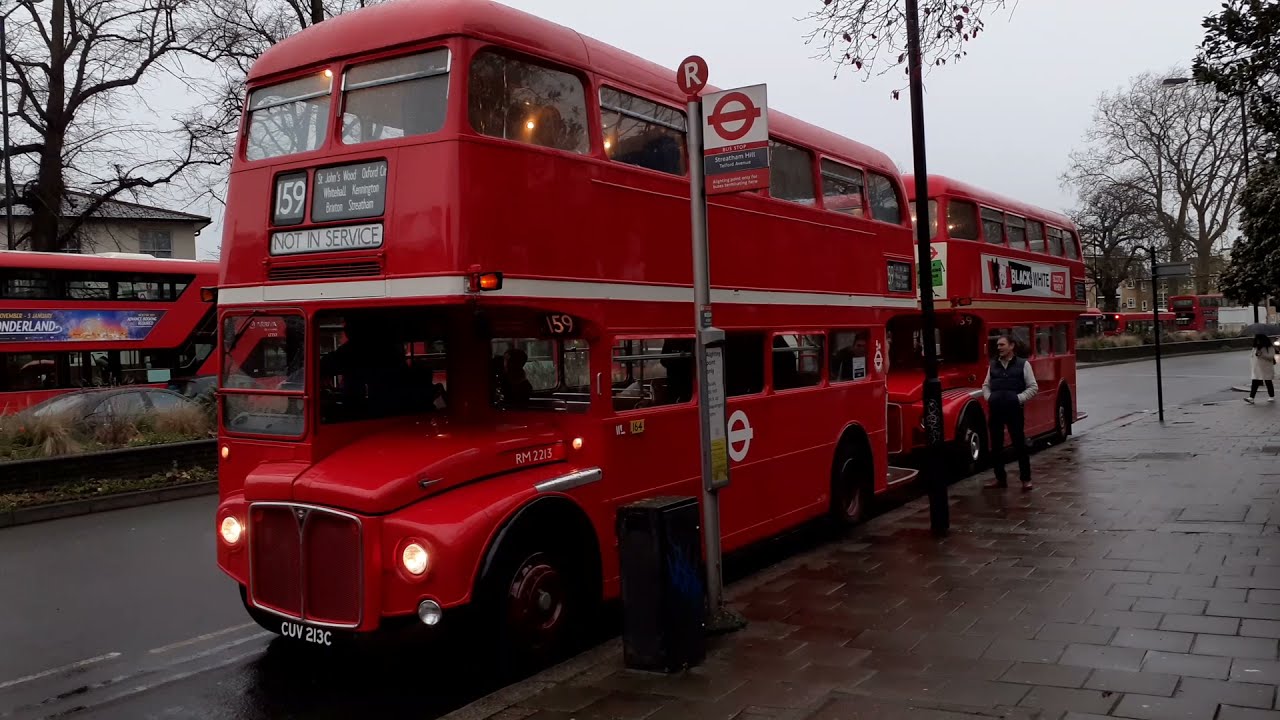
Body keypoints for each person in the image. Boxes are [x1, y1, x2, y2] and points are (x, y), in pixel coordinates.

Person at [982, 334, 1038, 491]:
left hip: (1014, 410)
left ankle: (1026, 480)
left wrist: (1018, 398)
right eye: (998, 345)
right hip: (996, 409)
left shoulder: (1023, 364)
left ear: (1012, 346)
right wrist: (989, 397)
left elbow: (1033, 387)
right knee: (996, 447)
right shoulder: (993, 365)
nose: (999, 347)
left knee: (1019, 445)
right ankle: (1000, 479)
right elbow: (986, 385)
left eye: (1002, 345)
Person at [1244, 333, 1277, 404]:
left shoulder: (1269, 347)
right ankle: (1251, 398)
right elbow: (1253, 357)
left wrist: (1262, 354)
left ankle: (1271, 396)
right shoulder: (1255, 347)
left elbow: (1270, 357)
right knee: (1254, 382)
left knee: (1268, 382)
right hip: (1256, 368)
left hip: (1266, 367)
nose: (1257, 341)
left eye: (1258, 339)